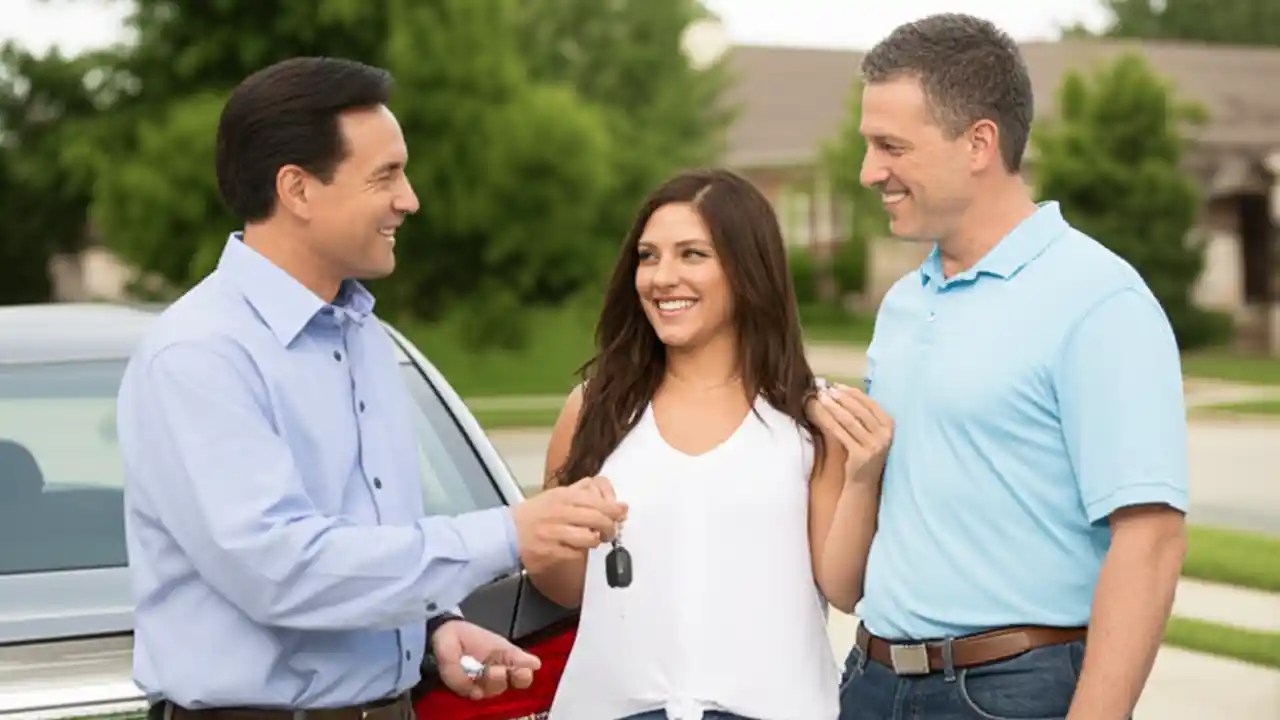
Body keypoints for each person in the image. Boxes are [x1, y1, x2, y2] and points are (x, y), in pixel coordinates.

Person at [115, 56, 628, 719]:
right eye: (385, 175)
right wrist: (508, 533)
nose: (409, 199)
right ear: (297, 189)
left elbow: (375, 534)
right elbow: (284, 571)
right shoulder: (199, 355)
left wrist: (435, 629)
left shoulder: (363, 336)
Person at [811, 13, 1189, 720]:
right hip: (870, 680)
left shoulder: (1099, 299)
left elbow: (1152, 539)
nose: (869, 172)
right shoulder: (901, 305)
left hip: (1011, 694)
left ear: (979, 142)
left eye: (891, 146)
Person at [529, 168, 894, 720]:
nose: (661, 277)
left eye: (692, 254)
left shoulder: (809, 417)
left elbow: (844, 590)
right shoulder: (595, 408)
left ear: (747, 270)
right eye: (648, 256)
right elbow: (562, 589)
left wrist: (863, 477)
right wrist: (558, 534)